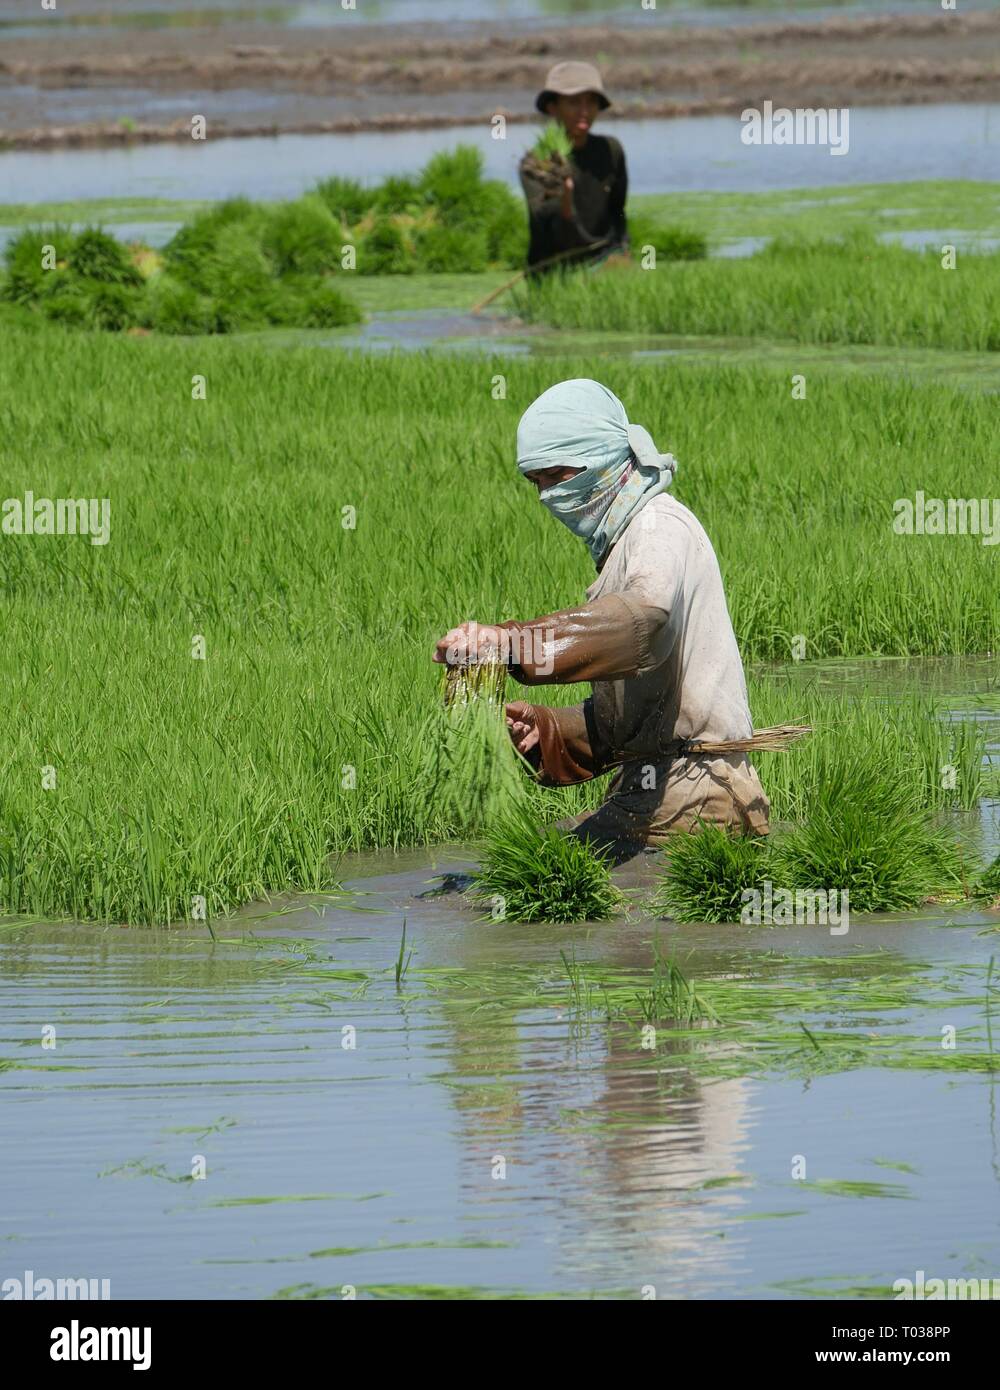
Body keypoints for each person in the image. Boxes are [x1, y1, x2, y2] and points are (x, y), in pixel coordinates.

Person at [432, 378, 770, 864]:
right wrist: (550, 731)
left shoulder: (658, 529)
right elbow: (641, 721)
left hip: (699, 798)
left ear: (603, 462)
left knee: (521, 886)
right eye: (537, 483)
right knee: (512, 872)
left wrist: (509, 644)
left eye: (558, 476)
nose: (547, 497)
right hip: (653, 795)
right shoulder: (620, 550)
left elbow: (643, 623)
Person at [519, 61, 628, 273]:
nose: (584, 111)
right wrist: (565, 203)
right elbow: (551, 232)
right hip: (553, 267)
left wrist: (623, 251)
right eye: (574, 103)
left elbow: (618, 212)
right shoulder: (537, 164)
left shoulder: (611, 151)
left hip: (604, 258)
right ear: (553, 108)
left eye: (591, 103)